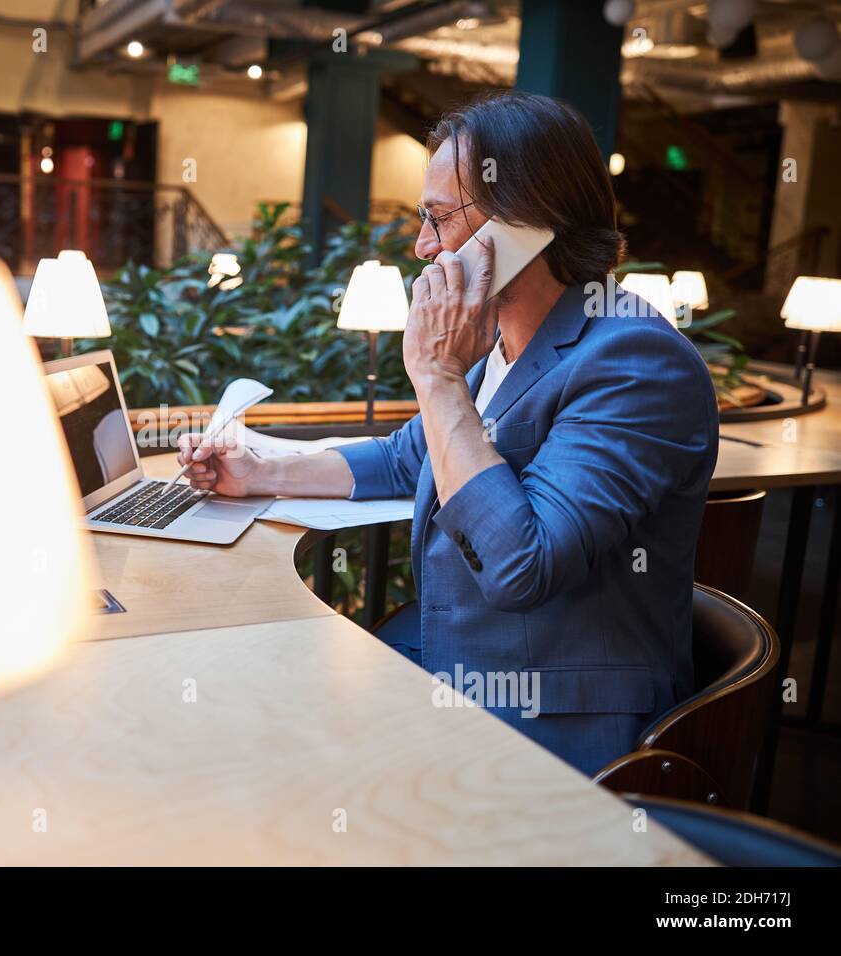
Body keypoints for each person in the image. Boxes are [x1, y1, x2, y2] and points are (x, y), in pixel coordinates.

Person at [177, 90, 719, 776]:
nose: (421, 246)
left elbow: (523, 565)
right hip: (457, 662)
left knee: (279, 750)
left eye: (437, 219)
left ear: (523, 220)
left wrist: (437, 378)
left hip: (551, 725)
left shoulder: (634, 362)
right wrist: (257, 474)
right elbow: (411, 458)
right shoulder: (507, 337)